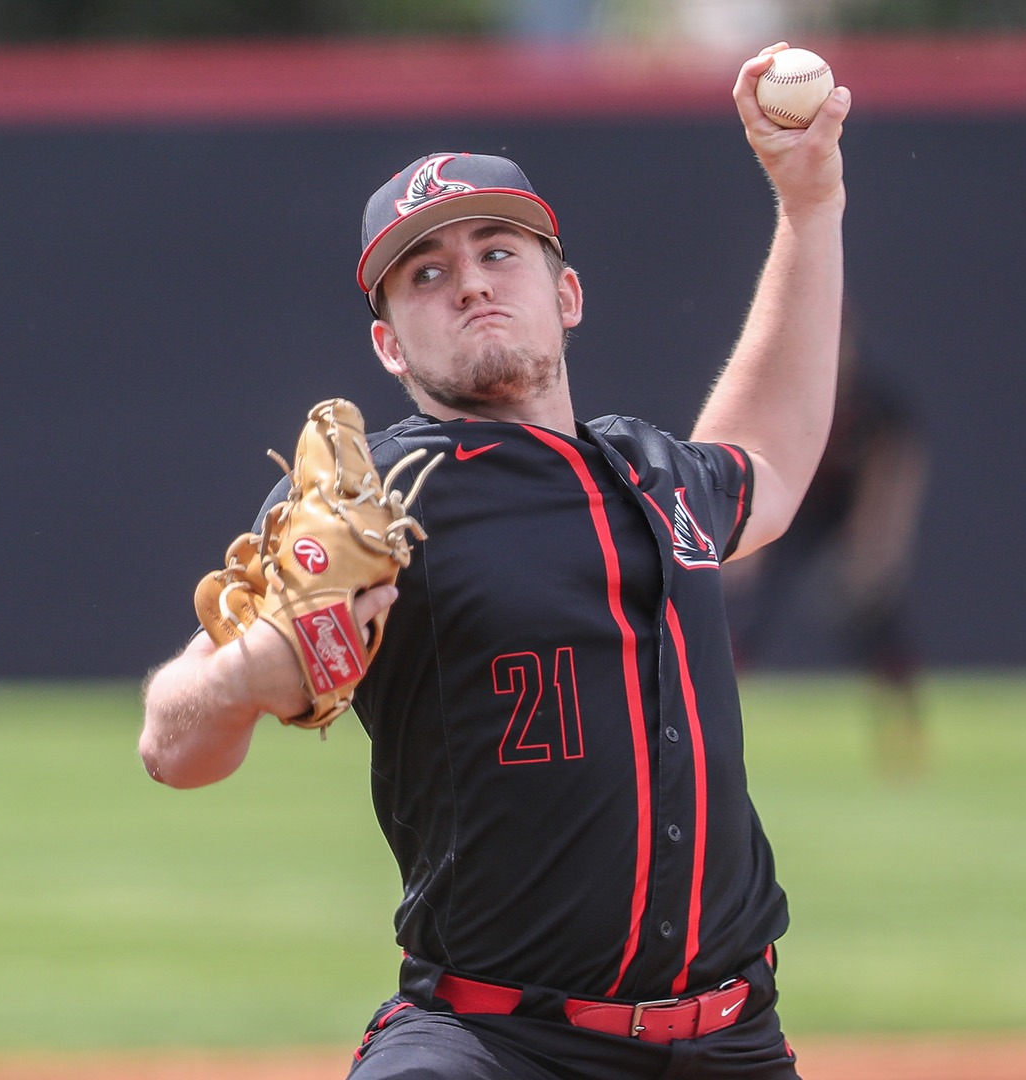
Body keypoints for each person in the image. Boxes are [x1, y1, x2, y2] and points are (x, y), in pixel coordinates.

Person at [139, 43, 849, 1080]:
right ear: (391, 348)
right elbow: (173, 747)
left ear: (566, 294)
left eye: (497, 254)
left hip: (732, 1042)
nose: (468, 284)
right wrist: (246, 674)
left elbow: (773, 465)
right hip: (493, 1041)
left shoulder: (652, 471)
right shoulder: (375, 501)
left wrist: (810, 203)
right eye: (425, 275)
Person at [728, 307, 929, 777]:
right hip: (792, 502)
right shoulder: (783, 392)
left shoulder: (876, 404)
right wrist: (739, 539)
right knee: (747, 617)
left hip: (848, 508)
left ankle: (905, 740)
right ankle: (710, 724)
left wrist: (876, 549)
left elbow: (892, 479)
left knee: (876, 620)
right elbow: (747, 454)